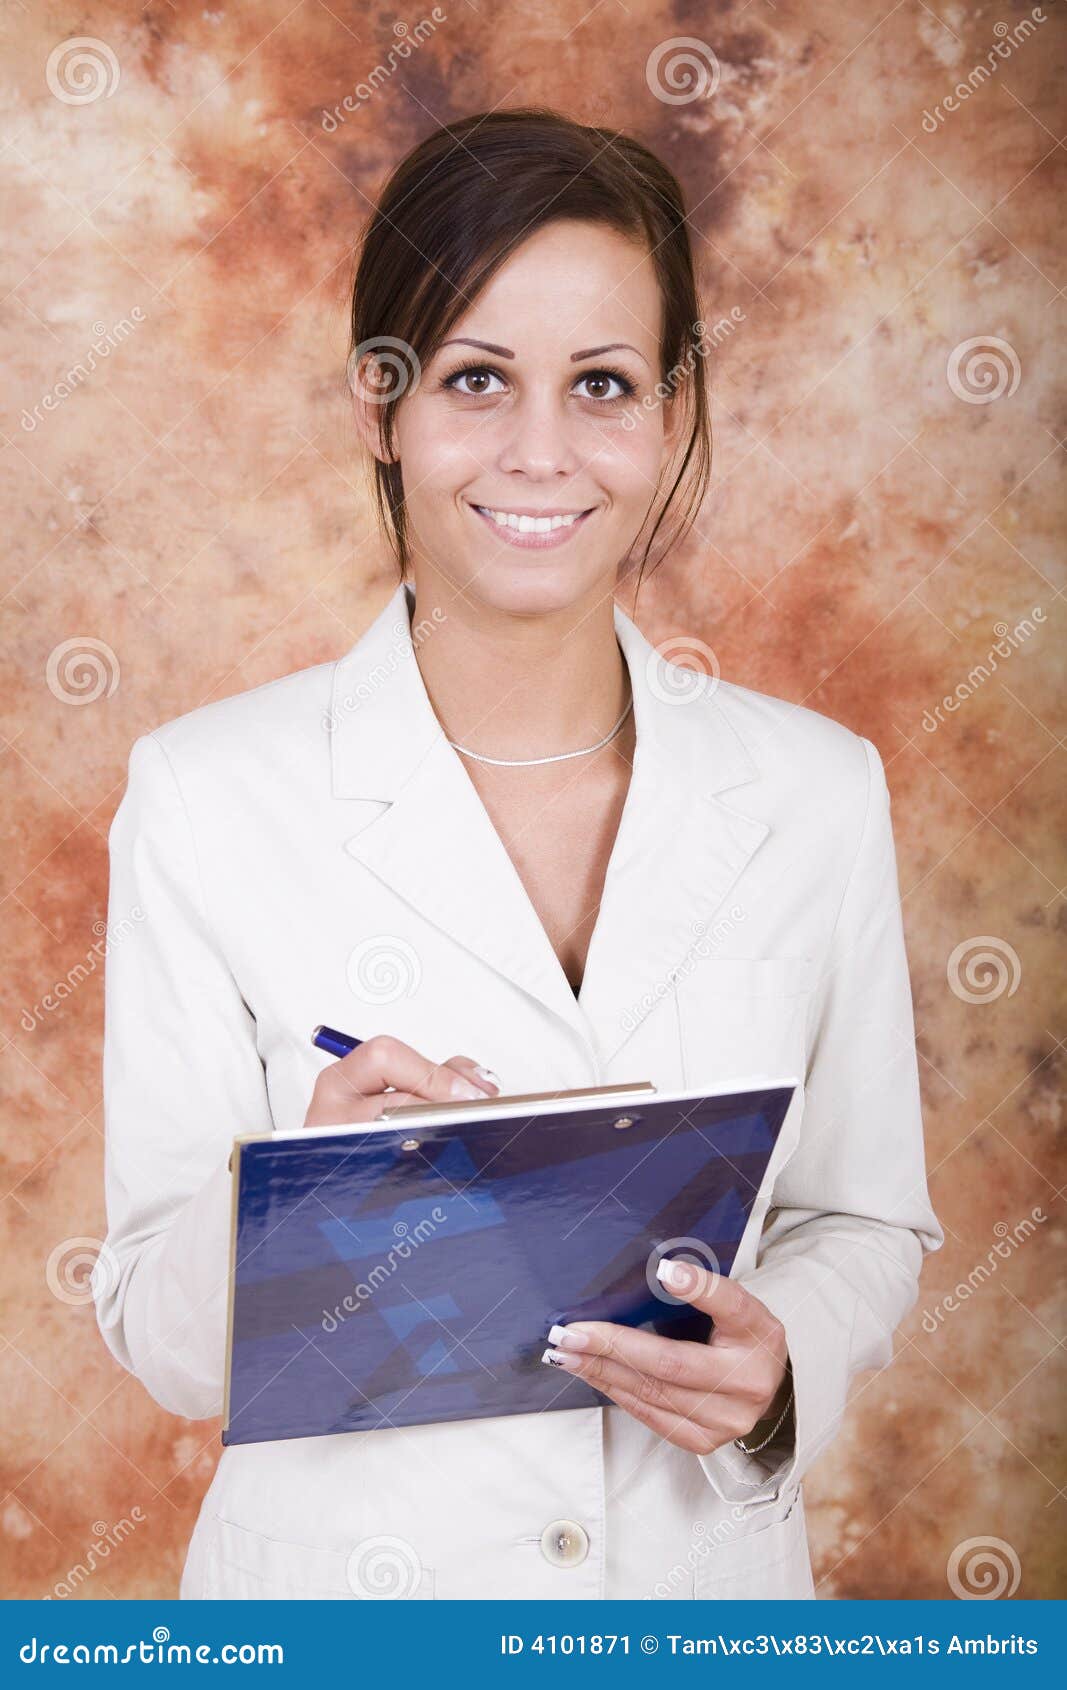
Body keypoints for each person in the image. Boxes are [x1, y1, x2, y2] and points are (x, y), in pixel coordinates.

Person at [94, 107, 943, 1600]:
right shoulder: (203, 797)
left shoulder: (817, 792)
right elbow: (156, 1334)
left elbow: (862, 1215)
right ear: (382, 406)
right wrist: (293, 1198)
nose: (540, 454)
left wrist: (781, 1361)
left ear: (670, 411)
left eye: (601, 384)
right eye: (477, 379)